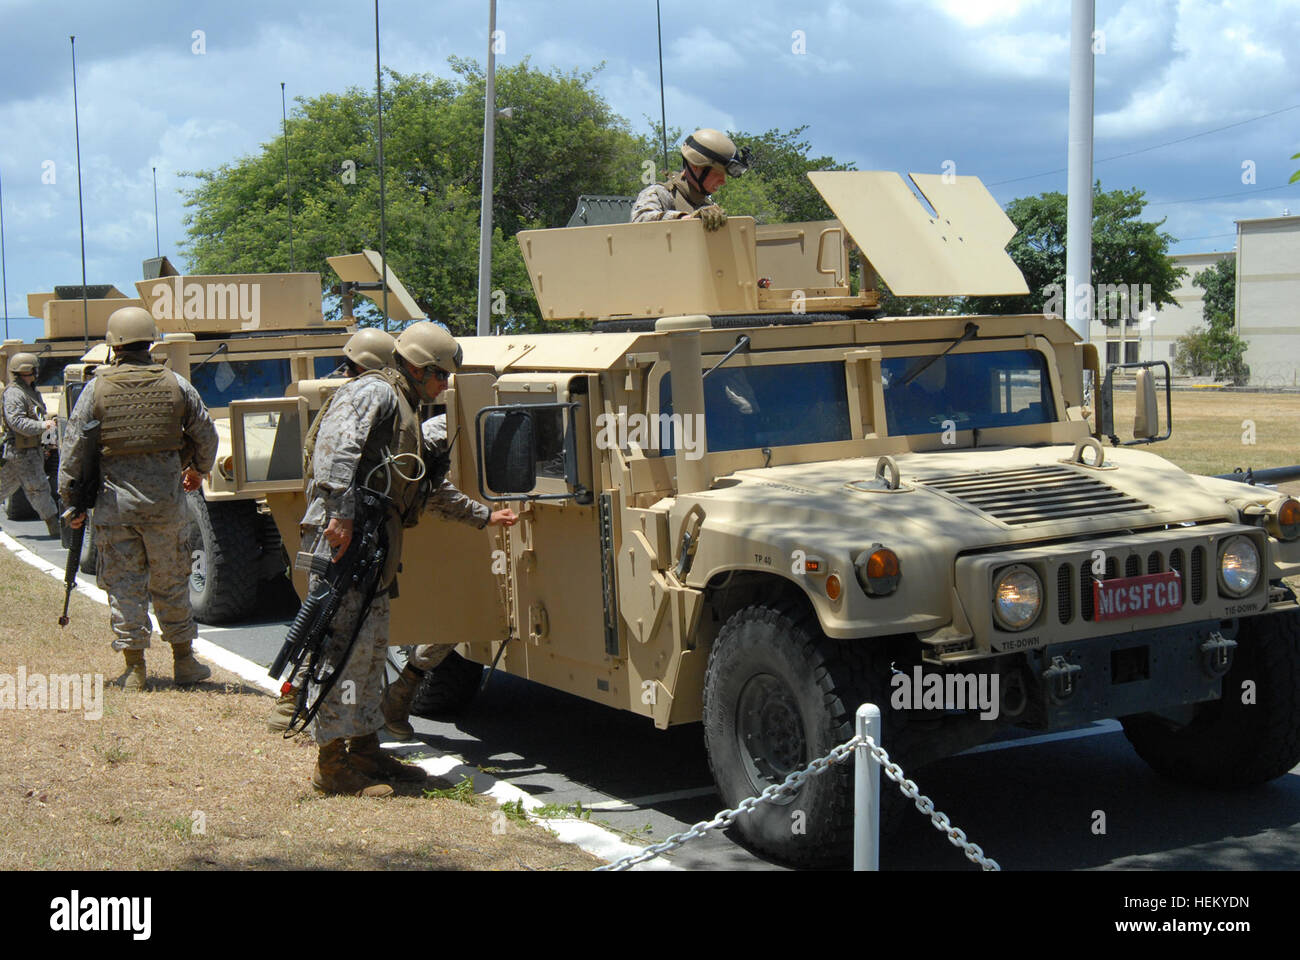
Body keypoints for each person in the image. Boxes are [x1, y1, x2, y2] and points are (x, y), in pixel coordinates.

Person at [296, 321, 516, 797]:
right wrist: (340, 514)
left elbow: (423, 489)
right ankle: (331, 766)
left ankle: (365, 750)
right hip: (345, 541)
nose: (443, 385)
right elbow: (335, 450)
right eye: (440, 375)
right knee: (341, 652)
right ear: (417, 368)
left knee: (369, 652)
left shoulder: (405, 408)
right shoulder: (374, 391)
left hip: (372, 545)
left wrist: (483, 516)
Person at [58, 306, 219, 691]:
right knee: (172, 581)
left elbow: (73, 450)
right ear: (150, 342)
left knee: (125, 585)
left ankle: (134, 669)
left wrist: (71, 502)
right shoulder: (176, 384)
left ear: (113, 344)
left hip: (115, 509)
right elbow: (207, 434)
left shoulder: (96, 389)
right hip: (166, 506)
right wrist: (198, 470)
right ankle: (184, 661)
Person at [379, 412, 505, 741]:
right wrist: (484, 515)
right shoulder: (443, 429)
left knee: (457, 618)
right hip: (387, 533)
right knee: (357, 632)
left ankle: (394, 700)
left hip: (457, 527)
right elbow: (429, 489)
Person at [630, 128, 751, 231]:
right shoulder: (659, 194)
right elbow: (639, 223)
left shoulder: (708, 207)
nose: (723, 181)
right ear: (695, 165)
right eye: (718, 173)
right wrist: (686, 219)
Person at [1, 353, 61, 538]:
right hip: (21, 451)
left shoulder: (31, 391)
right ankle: (55, 528)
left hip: (29, 450)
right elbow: (17, 422)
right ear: (28, 370)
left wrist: (48, 442)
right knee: (38, 489)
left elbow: (40, 417)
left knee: (5, 486)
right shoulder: (15, 393)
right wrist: (43, 426)